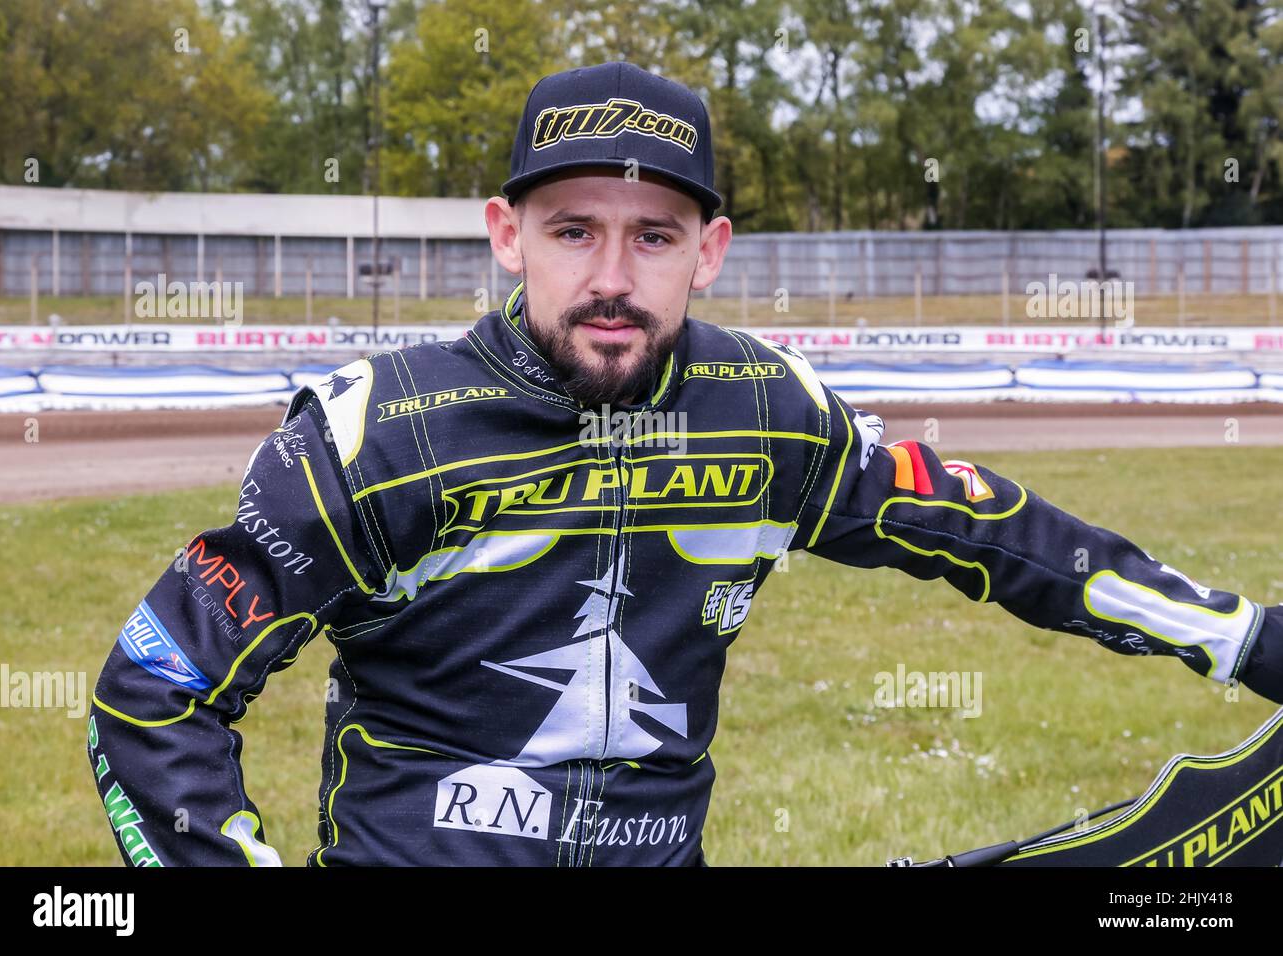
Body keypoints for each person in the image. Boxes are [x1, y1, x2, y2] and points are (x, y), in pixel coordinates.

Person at [87, 61, 1283, 867]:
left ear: (708, 251)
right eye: (572, 230)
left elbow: (994, 530)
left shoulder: (768, 410)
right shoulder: (373, 435)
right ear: (508, 235)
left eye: (652, 235)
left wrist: (1241, 637)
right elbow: (149, 693)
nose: (612, 275)